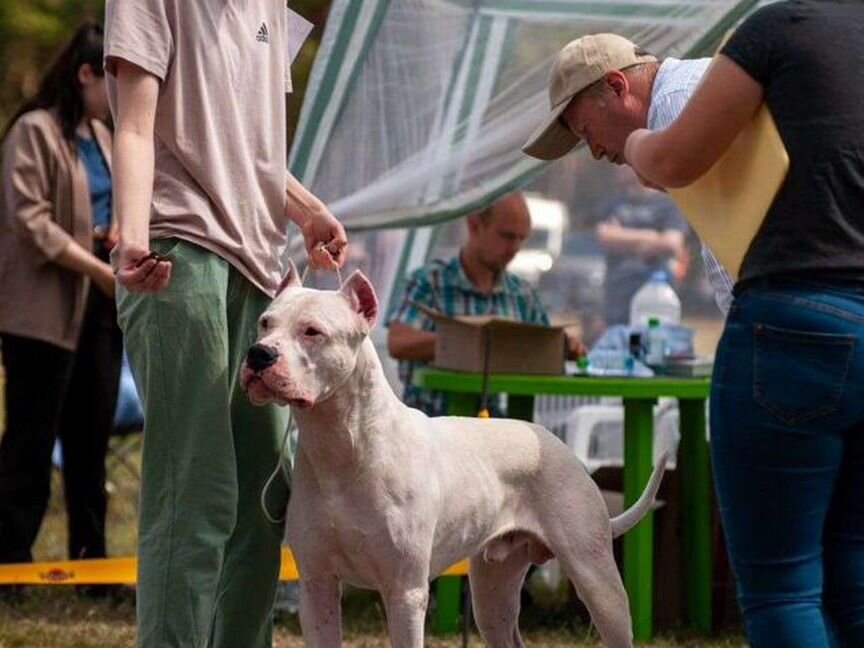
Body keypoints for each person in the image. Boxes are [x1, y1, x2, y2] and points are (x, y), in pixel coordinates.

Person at [103, 2, 347, 647]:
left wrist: (306, 208)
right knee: (197, 489)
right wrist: (130, 236)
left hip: (262, 270)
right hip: (177, 252)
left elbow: (247, 144)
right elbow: (133, 126)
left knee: (266, 499)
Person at [623, 3, 864, 646]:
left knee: (784, 590)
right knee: (857, 582)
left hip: (792, 319)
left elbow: (674, 160)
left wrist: (635, 144)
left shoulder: (780, 27)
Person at [0, 22, 122, 581]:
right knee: (31, 439)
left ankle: (91, 566)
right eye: (110, 82)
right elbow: (31, 222)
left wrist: (118, 233)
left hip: (100, 310)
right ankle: (11, 562)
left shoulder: (107, 137)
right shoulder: (34, 132)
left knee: (90, 442)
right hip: (43, 314)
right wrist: (96, 266)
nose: (117, 96)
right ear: (84, 75)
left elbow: (120, 200)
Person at [522, 32, 734, 314]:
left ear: (616, 86)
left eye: (588, 132)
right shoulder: (682, 93)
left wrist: (747, 324)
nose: (596, 152)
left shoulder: (671, 106)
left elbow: (729, 240)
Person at [387, 193, 584, 416]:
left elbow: (541, 346)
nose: (515, 248)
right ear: (475, 225)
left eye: (522, 238)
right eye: (507, 236)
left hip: (496, 430)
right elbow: (398, 342)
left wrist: (564, 347)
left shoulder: (521, 294)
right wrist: (472, 343)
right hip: (432, 428)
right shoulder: (430, 281)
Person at [595, 167, 688, 326]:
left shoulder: (667, 203)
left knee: (649, 341)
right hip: (618, 292)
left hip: (656, 294)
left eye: (624, 162)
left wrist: (622, 235)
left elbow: (672, 242)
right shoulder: (615, 202)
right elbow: (604, 235)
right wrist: (652, 236)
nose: (618, 166)